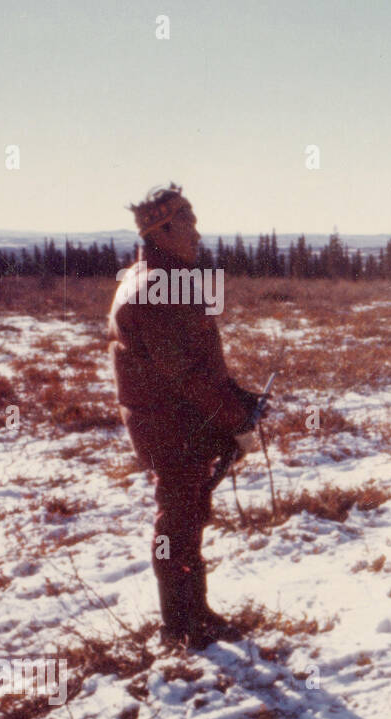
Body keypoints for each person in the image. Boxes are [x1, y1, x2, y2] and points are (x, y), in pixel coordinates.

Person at [108, 184, 265, 650]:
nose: (197, 230)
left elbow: (192, 366)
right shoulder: (158, 287)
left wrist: (236, 399)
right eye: (189, 220)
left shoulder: (157, 277)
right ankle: (179, 625)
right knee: (177, 521)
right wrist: (238, 420)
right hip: (172, 426)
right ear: (164, 228)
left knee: (186, 518)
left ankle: (192, 614)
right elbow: (189, 375)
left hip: (178, 423)